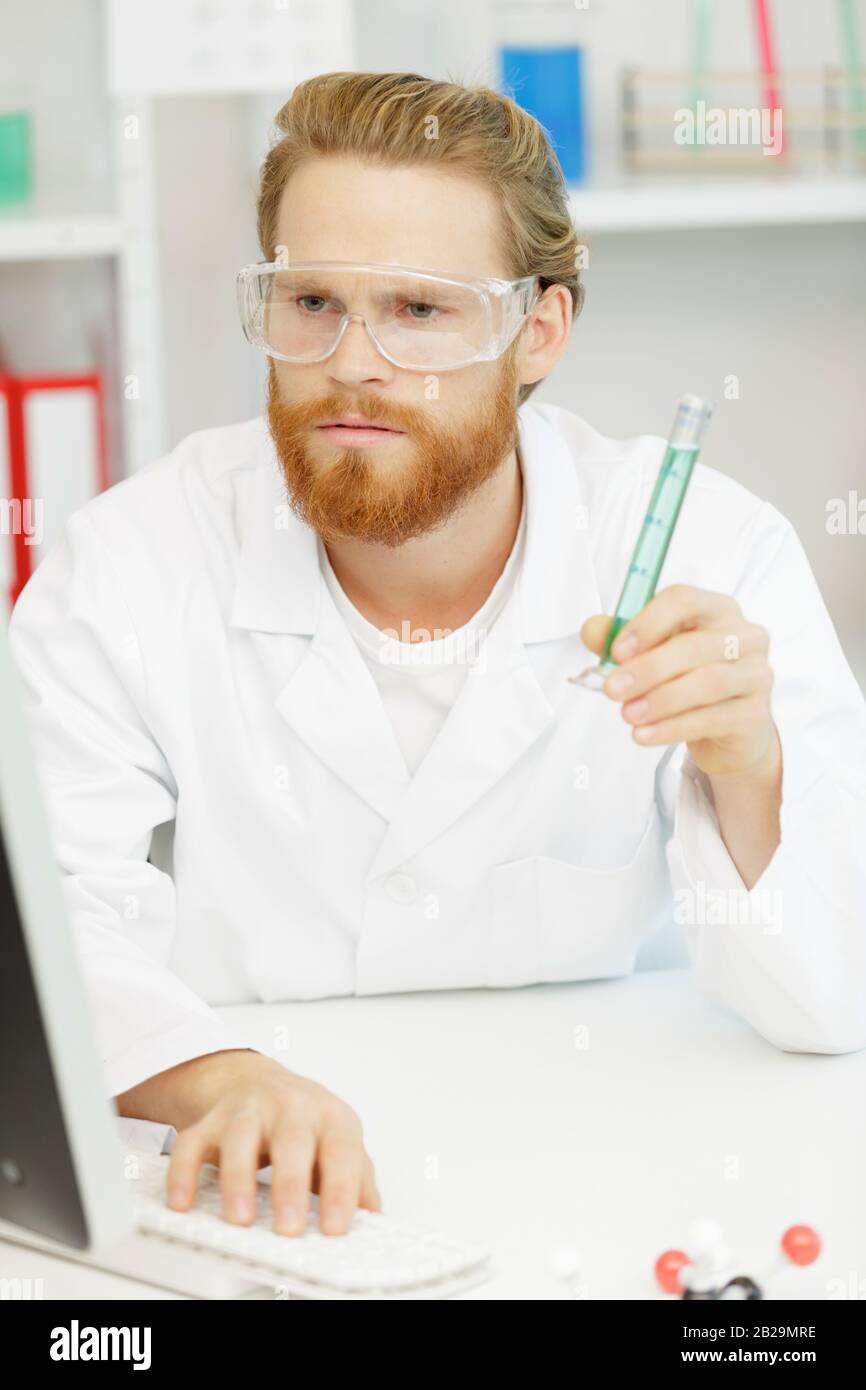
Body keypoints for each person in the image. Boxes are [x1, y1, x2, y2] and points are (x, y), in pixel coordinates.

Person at [9, 72, 866, 1239]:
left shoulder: (707, 551)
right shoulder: (133, 561)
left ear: (537, 331)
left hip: (611, 1170)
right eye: (311, 300)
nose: (353, 361)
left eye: (420, 308)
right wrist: (212, 1073)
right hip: (263, 1193)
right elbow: (44, 931)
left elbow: (827, 1006)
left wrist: (747, 767)